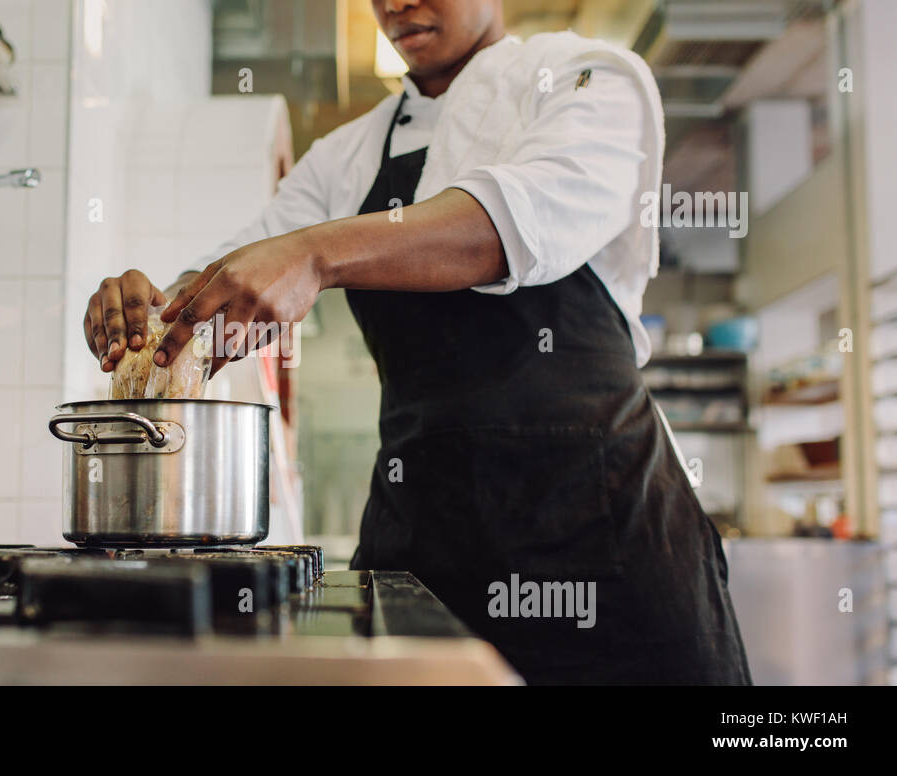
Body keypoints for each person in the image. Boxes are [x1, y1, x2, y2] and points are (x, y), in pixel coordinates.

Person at [81, 0, 750, 685]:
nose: (396, 3)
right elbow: (239, 283)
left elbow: (520, 222)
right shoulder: (343, 157)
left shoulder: (583, 77)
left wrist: (316, 255)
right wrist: (158, 312)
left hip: (605, 542)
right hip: (425, 550)